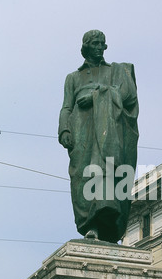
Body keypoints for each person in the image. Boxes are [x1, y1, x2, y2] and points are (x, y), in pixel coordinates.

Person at [58, 30, 139, 243]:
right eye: (95, 43)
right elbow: (67, 107)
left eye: (102, 44)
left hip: (109, 132)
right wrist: (64, 130)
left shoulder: (115, 71)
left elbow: (127, 96)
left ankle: (101, 225)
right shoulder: (73, 78)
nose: (99, 47)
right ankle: (88, 223)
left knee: (106, 171)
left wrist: (97, 94)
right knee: (82, 176)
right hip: (82, 132)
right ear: (85, 46)